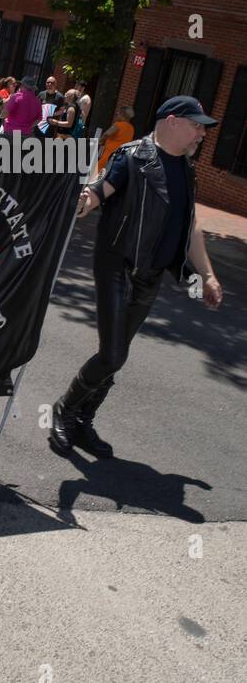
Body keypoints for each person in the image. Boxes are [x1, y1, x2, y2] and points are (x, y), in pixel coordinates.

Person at [49, 96, 223, 458]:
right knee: (112, 355)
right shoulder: (134, 156)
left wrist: (207, 274)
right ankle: (64, 409)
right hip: (118, 266)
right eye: (196, 126)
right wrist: (85, 200)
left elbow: (190, 227)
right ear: (172, 121)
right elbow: (102, 190)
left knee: (117, 354)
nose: (201, 135)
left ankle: (83, 420)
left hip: (150, 275)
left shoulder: (187, 171)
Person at [96, 105, 136, 174]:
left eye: (118, 113)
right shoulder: (131, 129)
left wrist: (100, 142)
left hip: (108, 156)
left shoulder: (118, 125)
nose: (116, 115)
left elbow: (106, 134)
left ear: (122, 115)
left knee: (95, 175)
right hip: (118, 158)